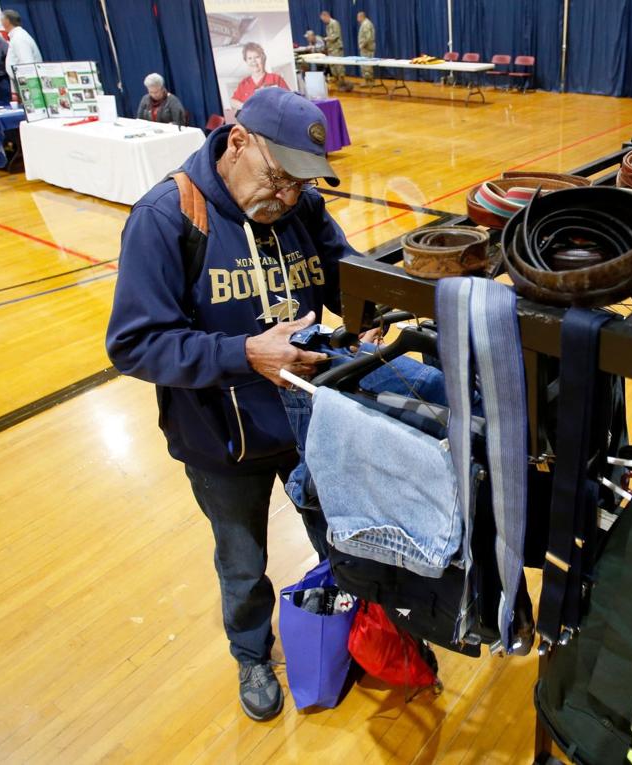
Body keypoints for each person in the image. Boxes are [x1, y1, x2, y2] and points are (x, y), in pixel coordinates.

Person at [106, 87, 360, 723]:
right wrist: (245, 354)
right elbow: (134, 344)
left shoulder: (299, 207)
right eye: (279, 179)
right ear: (236, 141)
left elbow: (346, 274)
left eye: (301, 185)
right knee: (243, 561)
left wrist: (372, 313)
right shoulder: (168, 216)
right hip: (220, 439)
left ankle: (351, 627)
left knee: (337, 536)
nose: (289, 197)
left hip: (307, 422)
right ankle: (252, 653)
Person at [231, 42, 290, 110]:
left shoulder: (276, 79)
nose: (253, 61)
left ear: (263, 58)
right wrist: (244, 107)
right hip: (251, 120)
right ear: (246, 61)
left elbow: (289, 99)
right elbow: (233, 101)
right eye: (249, 58)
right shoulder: (243, 84)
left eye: (257, 57)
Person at [1, 10, 42, 96]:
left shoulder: (19, 38)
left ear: (7, 21)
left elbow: (27, 64)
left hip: (26, 85)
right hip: (22, 84)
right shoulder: (18, 36)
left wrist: (28, 90)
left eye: (2, 20)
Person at [320, 10, 349, 92]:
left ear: (327, 16)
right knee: (332, 66)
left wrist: (327, 38)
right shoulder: (327, 25)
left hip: (336, 48)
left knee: (339, 66)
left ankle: (342, 82)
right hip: (331, 48)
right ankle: (337, 81)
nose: (324, 21)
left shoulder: (334, 23)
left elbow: (336, 35)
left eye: (324, 19)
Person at [356, 11, 376, 83]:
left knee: (367, 66)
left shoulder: (366, 24)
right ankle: (367, 81)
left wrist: (362, 45)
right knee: (365, 65)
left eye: (358, 17)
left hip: (367, 48)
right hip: (365, 48)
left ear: (361, 17)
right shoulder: (365, 24)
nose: (357, 19)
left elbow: (368, 37)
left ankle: (370, 82)